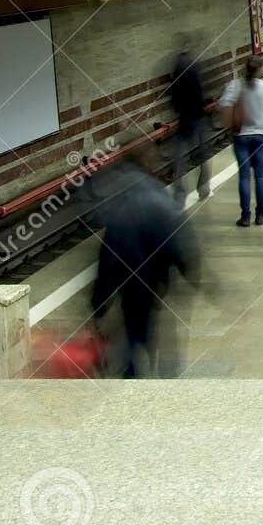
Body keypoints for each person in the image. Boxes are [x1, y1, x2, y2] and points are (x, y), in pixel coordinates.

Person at [89, 146, 200, 377]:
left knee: (135, 334)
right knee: (149, 327)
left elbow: (109, 257)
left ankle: (134, 376)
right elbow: (177, 237)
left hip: (130, 283)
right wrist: (188, 270)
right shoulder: (159, 195)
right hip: (156, 282)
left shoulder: (120, 203)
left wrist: (99, 302)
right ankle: (160, 373)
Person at [218, 55, 263, 228]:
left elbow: (222, 104)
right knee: (260, 176)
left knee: (244, 177)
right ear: (260, 69)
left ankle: (245, 216)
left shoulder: (235, 86)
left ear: (244, 68)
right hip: (260, 135)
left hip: (241, 137)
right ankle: (260, 215)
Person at [166, 41, 211, 201]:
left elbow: (173, 96)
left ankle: (179, 194)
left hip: (184, 119)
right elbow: (201, 92)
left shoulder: (177, 69)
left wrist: (178, 108)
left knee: (179, 157)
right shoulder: (195, 68)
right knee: (202, 154)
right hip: (197, 118)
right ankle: (203, 188)